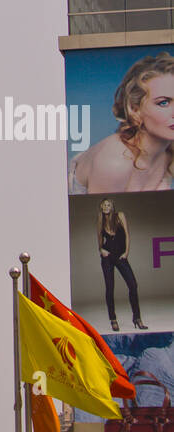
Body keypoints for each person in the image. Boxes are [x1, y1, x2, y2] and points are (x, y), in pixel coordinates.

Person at [69, 53, 174, 193]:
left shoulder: (167, 152)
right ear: (135, 109)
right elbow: (97, 215)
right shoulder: (115, 162)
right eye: (163, 103)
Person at [96, 198, 146, 331]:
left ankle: (137, 318)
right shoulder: (100, 219)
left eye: (108, 204)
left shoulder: (120, 216)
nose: (106, 207)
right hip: (107, 257)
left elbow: (127, 235)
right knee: (110, 288)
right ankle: (113, 319)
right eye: (104, 205)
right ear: (101, 207)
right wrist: (101, 250)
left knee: (133, 285)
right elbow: (99, 239)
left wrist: (126, 253)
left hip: (120, 256)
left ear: (112, 207)